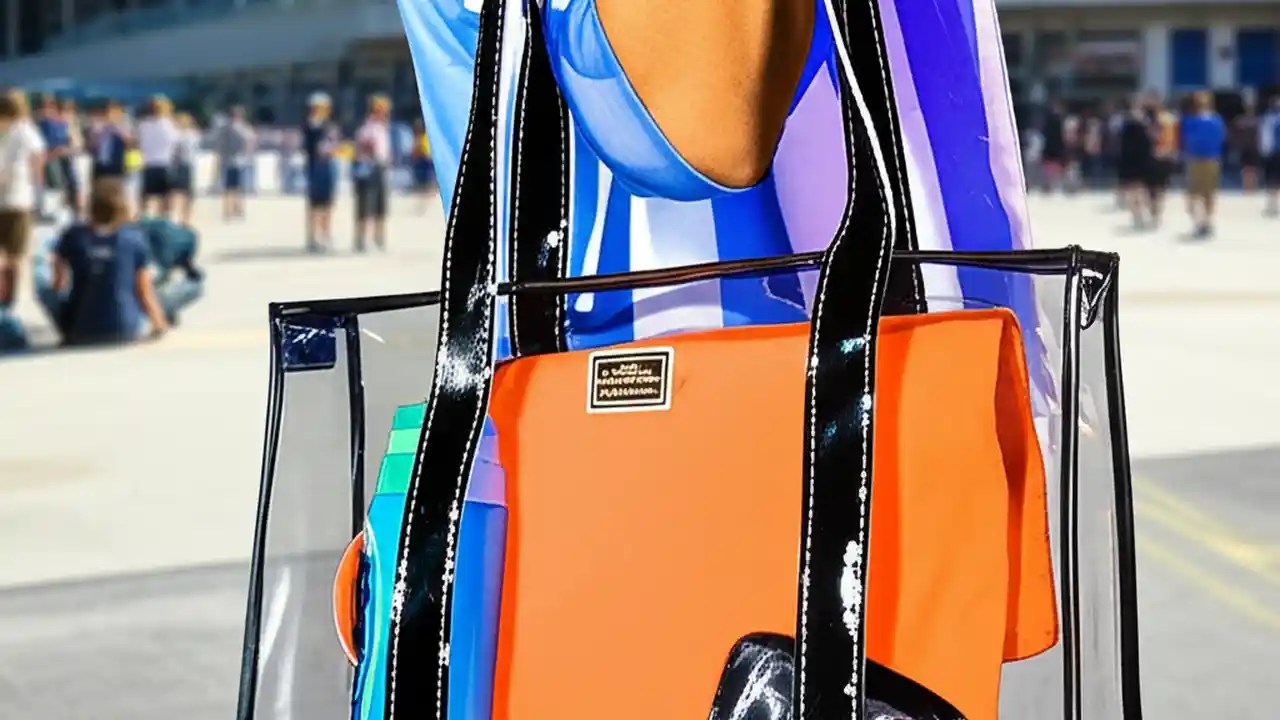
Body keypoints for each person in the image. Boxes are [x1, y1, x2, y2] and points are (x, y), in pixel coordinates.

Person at [42, 179, 169, 346]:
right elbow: (144, 290)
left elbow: (58, 283)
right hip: (124, 329)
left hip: (82, 328)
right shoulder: (134, 237)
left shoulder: (73, 235)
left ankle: (67, 330)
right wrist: (159, 323)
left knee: (41, 277)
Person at [0, 90, 46, 316]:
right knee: (16, 255)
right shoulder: (26, 130)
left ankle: (2, 296)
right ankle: (9, 300)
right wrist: (38, 182)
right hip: (19, 197)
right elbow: (38, 156)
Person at [1180, 91, 1227, 238]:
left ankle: (1199, 222)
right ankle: (1206, 221)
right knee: (1209, 193)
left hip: (1195, 159)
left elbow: (1184, 139)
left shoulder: (1189, 120)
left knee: (1193, 194)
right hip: (1212, 159)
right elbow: (1223, 138)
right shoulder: (1216, 120)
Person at [353, 94, 392, 251]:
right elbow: (362, 146)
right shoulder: (367, 127)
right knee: (365, 205)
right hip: (368, 169)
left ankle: (379, 238)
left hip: (381, 168)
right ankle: (362, 239)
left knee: (380, 205)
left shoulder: (384, 128)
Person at [302, 92, 341, 251]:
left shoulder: (330, 126)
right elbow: (309, 141)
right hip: (315, 167)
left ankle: (326, 234)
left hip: (329, 167)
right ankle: (313, 237)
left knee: (327, 204)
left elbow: (336, 144)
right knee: (315, 205)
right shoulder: (311, 125)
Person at [37, 94, 79, 219]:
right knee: (53, 189)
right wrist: (55, 152)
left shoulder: (64, 125)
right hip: (51, 162)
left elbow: (75, 145)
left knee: (64, 187)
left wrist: (67, 148)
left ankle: (63, 211)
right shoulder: (45, 124)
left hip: (64, 162)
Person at [213, 105, 256, 221]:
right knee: (236, 187)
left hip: (231, 160)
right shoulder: (240, 128)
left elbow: (220, 144)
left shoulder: (227, 128)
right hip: (237, 160)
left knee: (231, 187)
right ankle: (234, 209)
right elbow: (249, 141)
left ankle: (232, 209)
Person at [1116, 99, 1154, 229]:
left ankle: (1137, 216)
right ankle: (1139, 215)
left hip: (1132, 161)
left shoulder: (1127, 124)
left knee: (1135, 190)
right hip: (1139, 161)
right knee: (1139, 190)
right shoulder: (1144, 124)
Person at [1145, 97, 1179, 229]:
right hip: (1165, 155)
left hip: (1155, 156)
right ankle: (1156, 211)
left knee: (1153, 186)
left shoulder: (1150, 120)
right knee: (1160, 186)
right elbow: (1175, 139)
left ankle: (1155, 211)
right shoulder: (1170, 119)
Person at [169, 113, 201, 227]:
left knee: (178, 193)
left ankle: (179, 217)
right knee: (185, 194)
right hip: (185, 165)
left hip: (180, 165)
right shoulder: (192, 135)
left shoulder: (181, 135)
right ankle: (184, 218)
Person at [1231, 100, 1262, 192]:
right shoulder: (1243, 121)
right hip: (1246, 147)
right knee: (1246, 169)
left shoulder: (1255, 121)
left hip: (1252, 147)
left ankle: (1251, 187)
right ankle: (1248, 187)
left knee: (1252, 169)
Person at [1039, 101, 1067, 193]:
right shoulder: (1057, 120)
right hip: (1055, 146)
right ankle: (1053, 185)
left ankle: (1050, 185)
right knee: (1054, 166)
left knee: (1051, 166)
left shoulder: (1049, 120)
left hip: (1052, 145)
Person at [410, 118, 435, 213]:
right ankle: (425, 205)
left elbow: (420, 151)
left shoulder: (422, 138)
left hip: (425, 162)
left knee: (426, 186)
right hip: (425, 162)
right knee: (425, 186)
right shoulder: (422, 137)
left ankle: (425, 206)